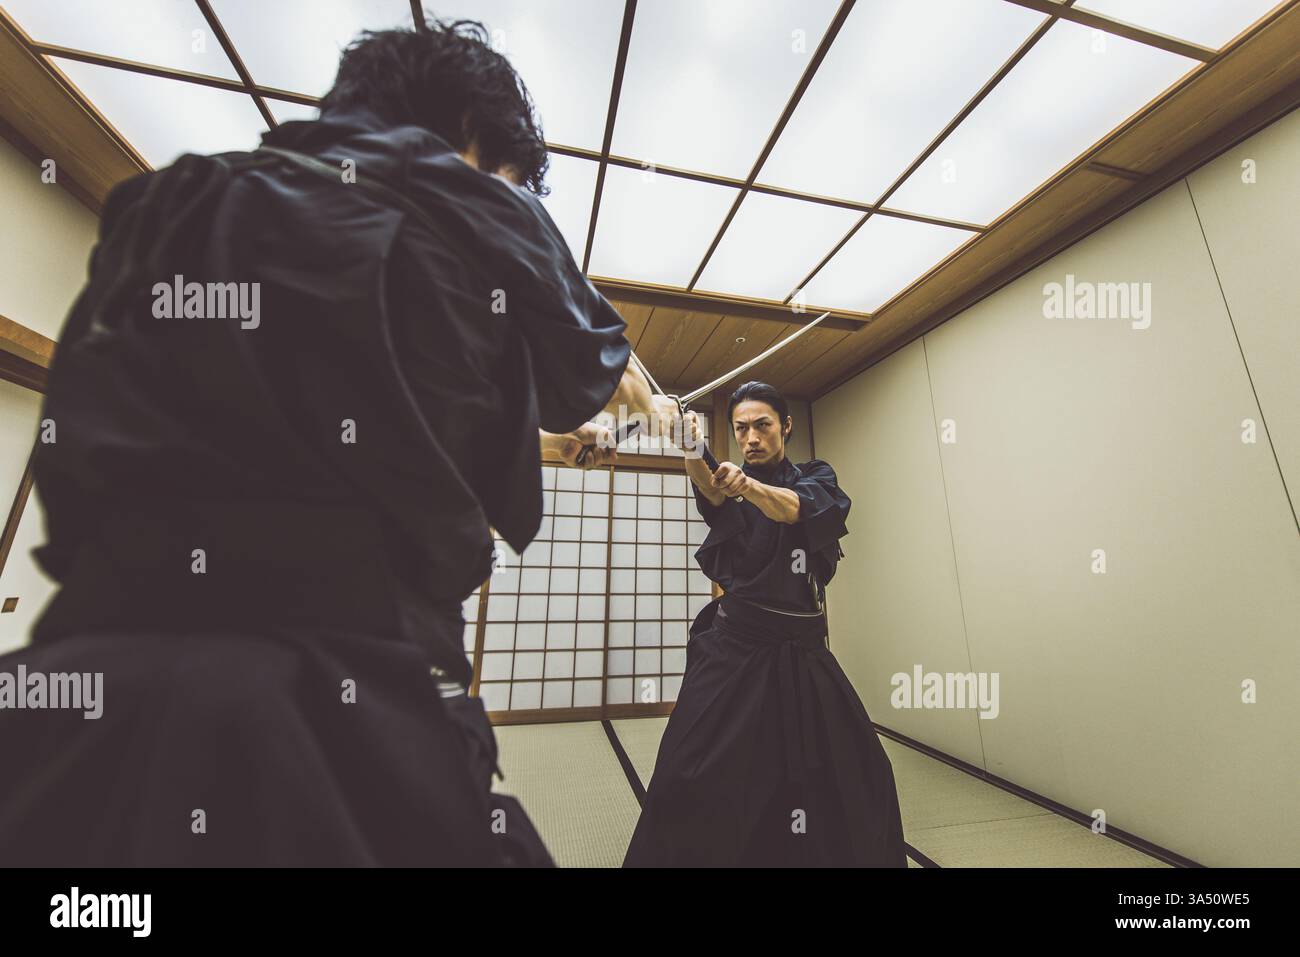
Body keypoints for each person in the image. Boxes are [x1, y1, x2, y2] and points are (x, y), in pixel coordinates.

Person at [0, 18, 674, 866]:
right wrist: (657, 402)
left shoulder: (169, 203)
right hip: (332, 716)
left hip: (75, 703)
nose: (508, 193)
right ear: (466, 135)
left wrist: (543, 445)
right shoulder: (465, 198)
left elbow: (315, 422)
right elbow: (601, 365)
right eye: (505, 173)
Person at [623, 381, 907, 867]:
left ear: (786, 426)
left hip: (804, 649)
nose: (750, 437)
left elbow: (795, 509)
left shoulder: (815, 476)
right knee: (687, 775)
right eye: (740, 429)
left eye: (761, 425)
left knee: (864, 774)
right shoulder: (727, 484)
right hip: (735, 647)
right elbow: (710, 489)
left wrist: (749, 487)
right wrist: (691, 444)